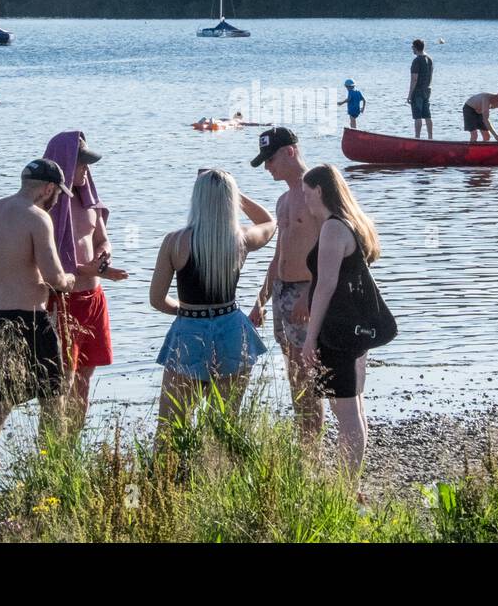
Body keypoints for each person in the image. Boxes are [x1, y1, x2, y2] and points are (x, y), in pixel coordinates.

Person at [0, 158, 76, 507]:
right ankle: (50, 476)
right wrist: (70, 280)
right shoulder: (37, 218)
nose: (56, 198)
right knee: (53, 401)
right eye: (57, 192)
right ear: (47, 188)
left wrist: (10, 280)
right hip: (29, 322)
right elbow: (56, 278)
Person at [148, 169, 275, 445]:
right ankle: (220, 478)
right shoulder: (240, 239)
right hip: (231, 329)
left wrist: (184, 312)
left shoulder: (175, 242)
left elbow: (157, 299)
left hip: (189, 332)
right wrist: (235, 194)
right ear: (231, 201)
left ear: (197, 199)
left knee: (171, 426)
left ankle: (165, 480)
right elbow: (268, 222)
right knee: (225, 423)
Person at [300, 164, 383, 487]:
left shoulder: (333, 229)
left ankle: (347, 489)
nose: (306, 202)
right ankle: (351, 484)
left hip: (338, 331)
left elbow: (325, 285)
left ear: (320, 190)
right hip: (354, 328)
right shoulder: (355, 223)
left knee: (346, 412)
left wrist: (310, 338)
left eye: (307, 194)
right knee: (353, 406)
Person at [44, 132, 128, 427]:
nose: (86, 170)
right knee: (62, 377)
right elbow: (48, 261)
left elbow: (103, 238)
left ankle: (72, 446)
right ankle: (52, 449)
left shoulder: (89, 199)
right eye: (82, 164)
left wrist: (103, 255)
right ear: (65, 164)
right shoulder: (48, 205)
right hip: (64, 298)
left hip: (94, 297)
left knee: (86, 374)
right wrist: (88, 269)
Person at [250, 127, 324, 443]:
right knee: (293, 374)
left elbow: (331, 249)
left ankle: (313, 452)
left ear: (290, 152)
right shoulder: (282, 201)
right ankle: (305, 444)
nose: (268, 167)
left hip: (307, 292)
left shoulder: (319, 192)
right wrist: (261, 300)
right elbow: (279, 255)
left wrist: (309, 295)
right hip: (283, 293)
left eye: (271, 159)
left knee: (309, 376)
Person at [407, 39, 434, 139]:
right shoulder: (429, 59)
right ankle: (430, 138)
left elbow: (414, 79)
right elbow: (431, 75)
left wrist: (410, 95)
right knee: (427, 115)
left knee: (417, 116)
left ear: (415, 47)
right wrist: (428, 86)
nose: (412, 49)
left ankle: (417, 138)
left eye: (412, 47)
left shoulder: (417, 60)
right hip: (427, 90)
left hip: (417, 91)